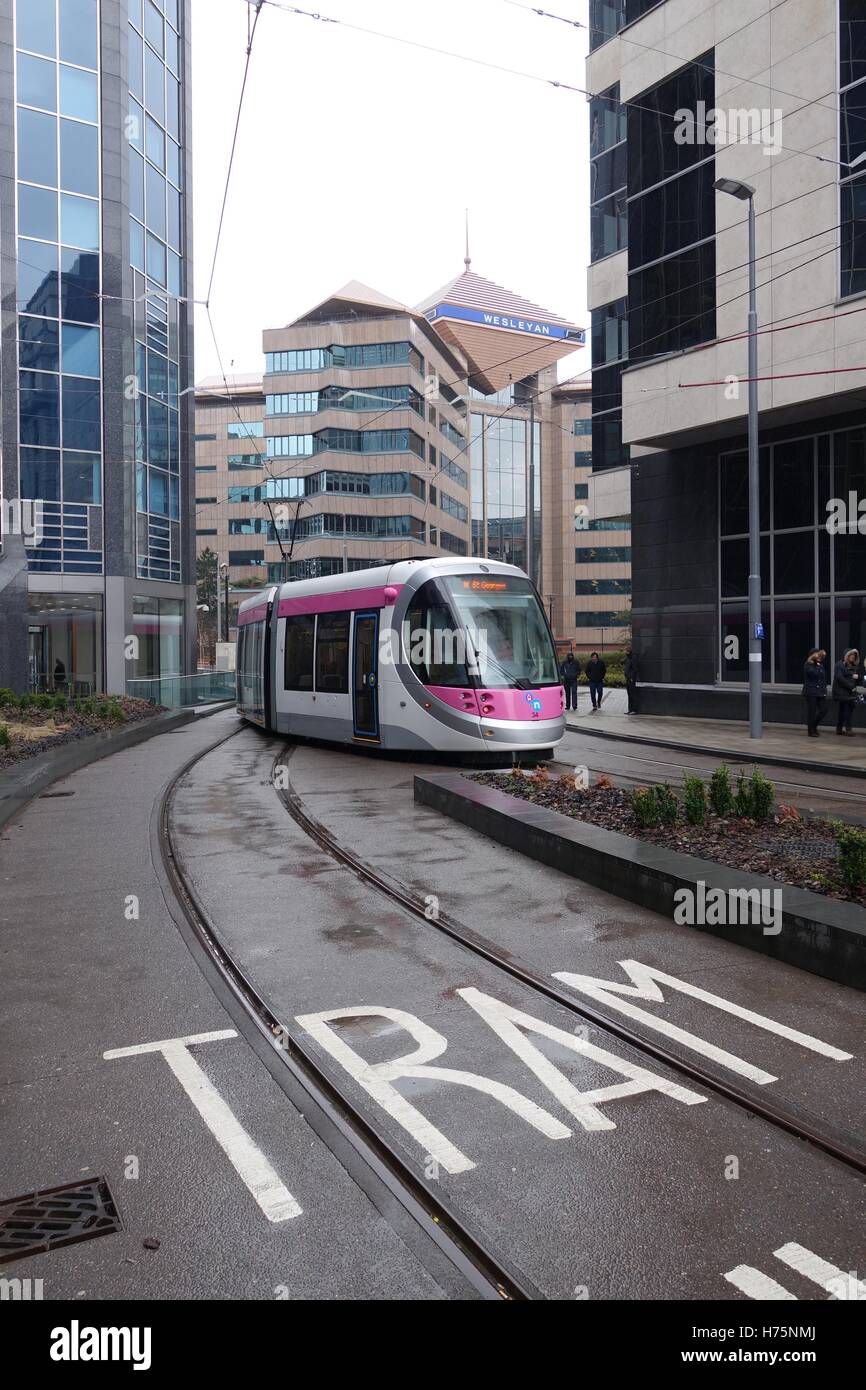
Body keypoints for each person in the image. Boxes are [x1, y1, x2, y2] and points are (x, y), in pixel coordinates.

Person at [832, 647, 862, 736]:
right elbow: (840, 678)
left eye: (854, 655)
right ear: (847, 655)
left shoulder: (854, 666)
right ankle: (848, 729)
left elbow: (858, 678)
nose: (853, 657)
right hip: (842, 692)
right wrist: (851, 686)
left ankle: (839, 729)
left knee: (843, 710)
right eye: (851, 655)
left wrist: (858, 677)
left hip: (850, 692)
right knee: (847, 710)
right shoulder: (839, 665)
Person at [801, 647, 828, 738]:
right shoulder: (808, 665)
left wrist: (824, 689)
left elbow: (823, 678)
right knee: (812, 712)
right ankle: (811, 731)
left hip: (820, 691)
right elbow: (813, 673)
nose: (818, 656)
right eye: (817, 654)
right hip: (811, 691)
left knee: (824, 710)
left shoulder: (820, 665)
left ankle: (814, 725)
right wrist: (815, 663)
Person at [623, 647, 639, 714]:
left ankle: (634, 710)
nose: (625, 652)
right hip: (628, 678)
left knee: (633, 694)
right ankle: (630, 709)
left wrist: (631, 677)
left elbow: (635, 669)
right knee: (629, 694)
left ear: (628, 651)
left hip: (631, 678)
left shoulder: (633, 657)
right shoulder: (628, 657)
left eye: (626, 651)